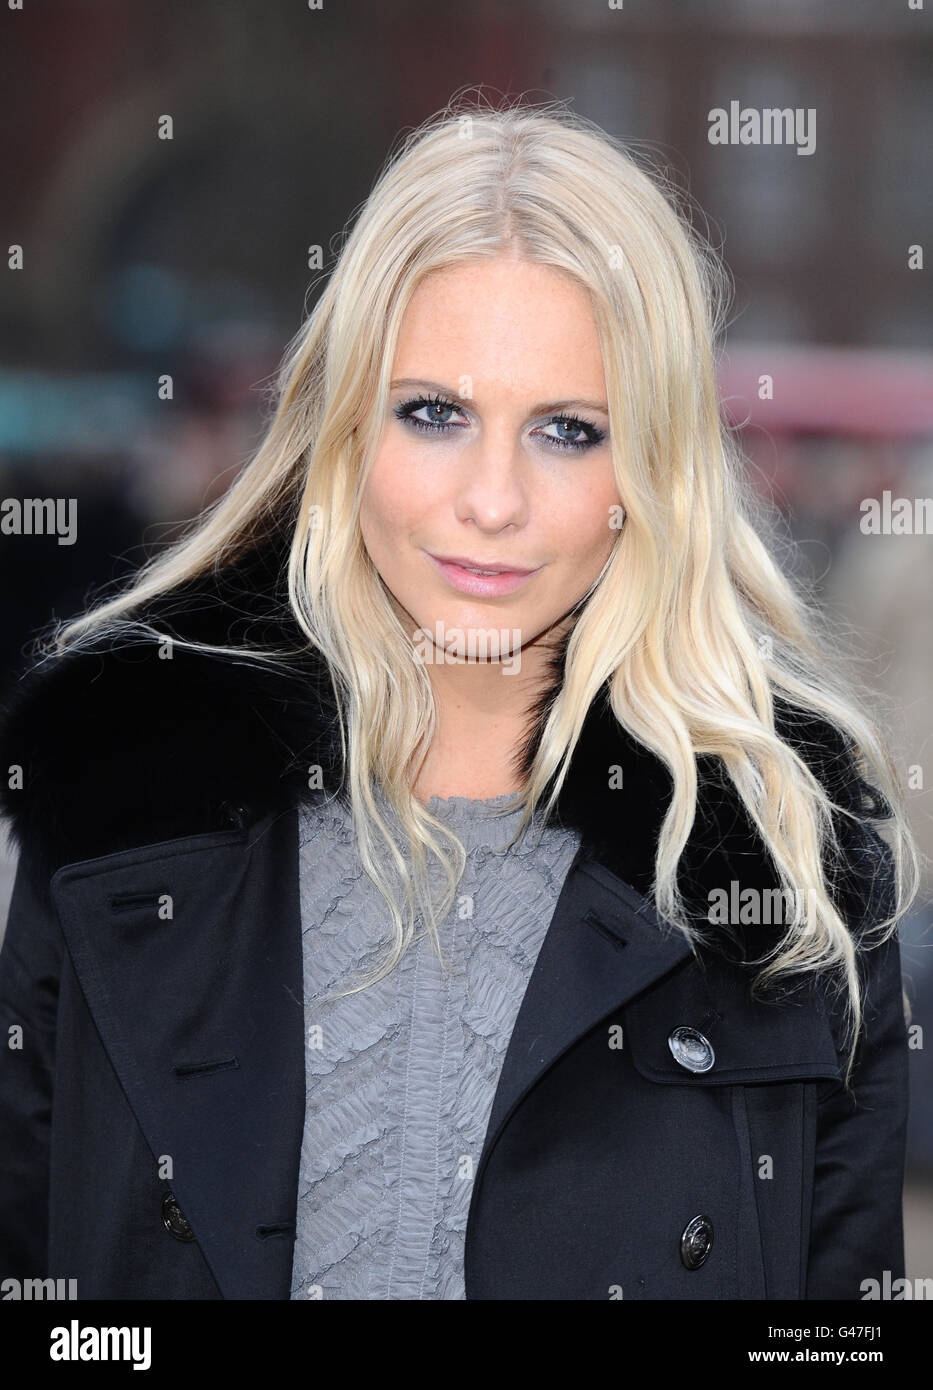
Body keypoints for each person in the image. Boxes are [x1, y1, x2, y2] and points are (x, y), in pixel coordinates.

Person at [0, 95, 918, 1301]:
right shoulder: (119, 800)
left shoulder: (790, 863)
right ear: (342, 427)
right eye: (434, 412)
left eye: (568, 430)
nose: (493, 498)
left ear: (649, 471)